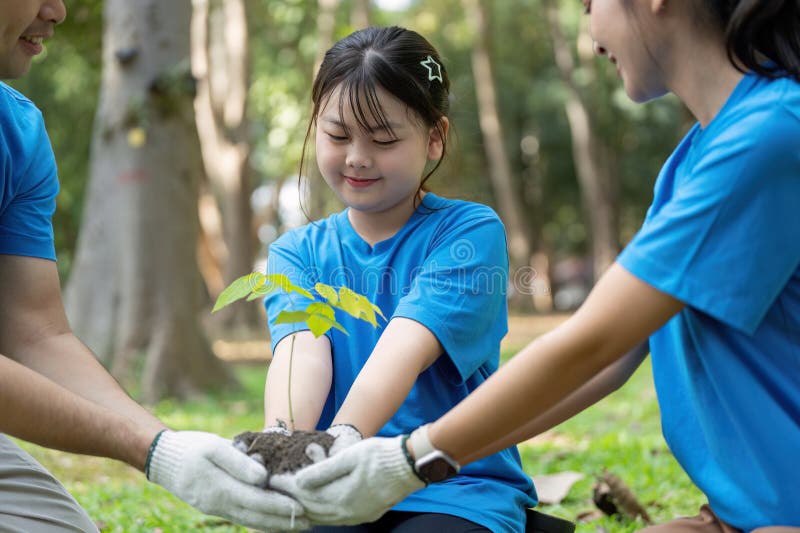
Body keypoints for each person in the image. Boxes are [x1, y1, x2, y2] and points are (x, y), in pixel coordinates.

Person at [270, 1, 800, 532]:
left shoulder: (768, 137)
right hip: (735, 518)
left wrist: (405, 459)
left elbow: (594, 344)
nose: (591, 34)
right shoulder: (695, 159)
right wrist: (406, 460)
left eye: (592, 3)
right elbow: (610, 359)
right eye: (339, 135)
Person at [0, 1, 304, 531]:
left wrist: (169, 445)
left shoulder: (18, 134)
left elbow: (36, 331)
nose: (59, 10)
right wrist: (147, 449)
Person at [258, 25, 536, 533]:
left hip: (452, 487)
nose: (357, 157)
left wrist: (344, 434)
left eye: (383, 139)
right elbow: (301, 350)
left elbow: (406, 346)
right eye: (337, 135)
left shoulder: (468, 233)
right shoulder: (294, 252)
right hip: (334, 488)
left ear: (435, 138)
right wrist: (283, 442)